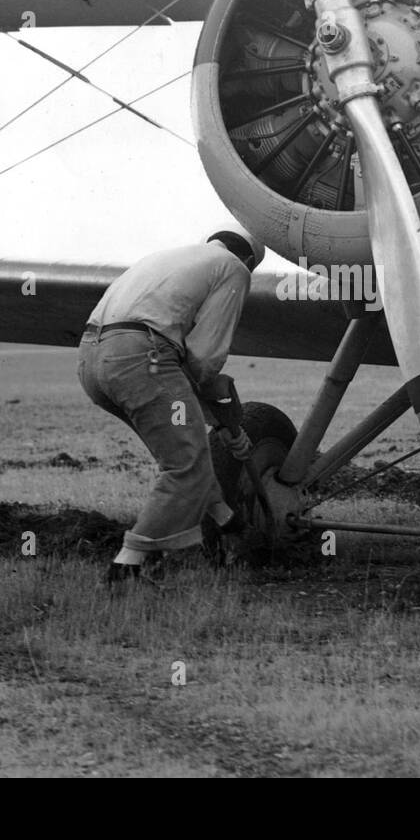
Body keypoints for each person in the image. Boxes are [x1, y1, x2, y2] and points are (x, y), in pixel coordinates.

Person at [78, 225, 264, 583]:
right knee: (185, 464)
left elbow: (183, 377)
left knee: (182, 450)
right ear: (248, 260)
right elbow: (204, 358)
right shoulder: (234, 268)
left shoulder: (167, 258)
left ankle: (229, 523)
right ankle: (130, 564)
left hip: (92, 362)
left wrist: (218, 422)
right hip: (141, 360)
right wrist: (227, 421)